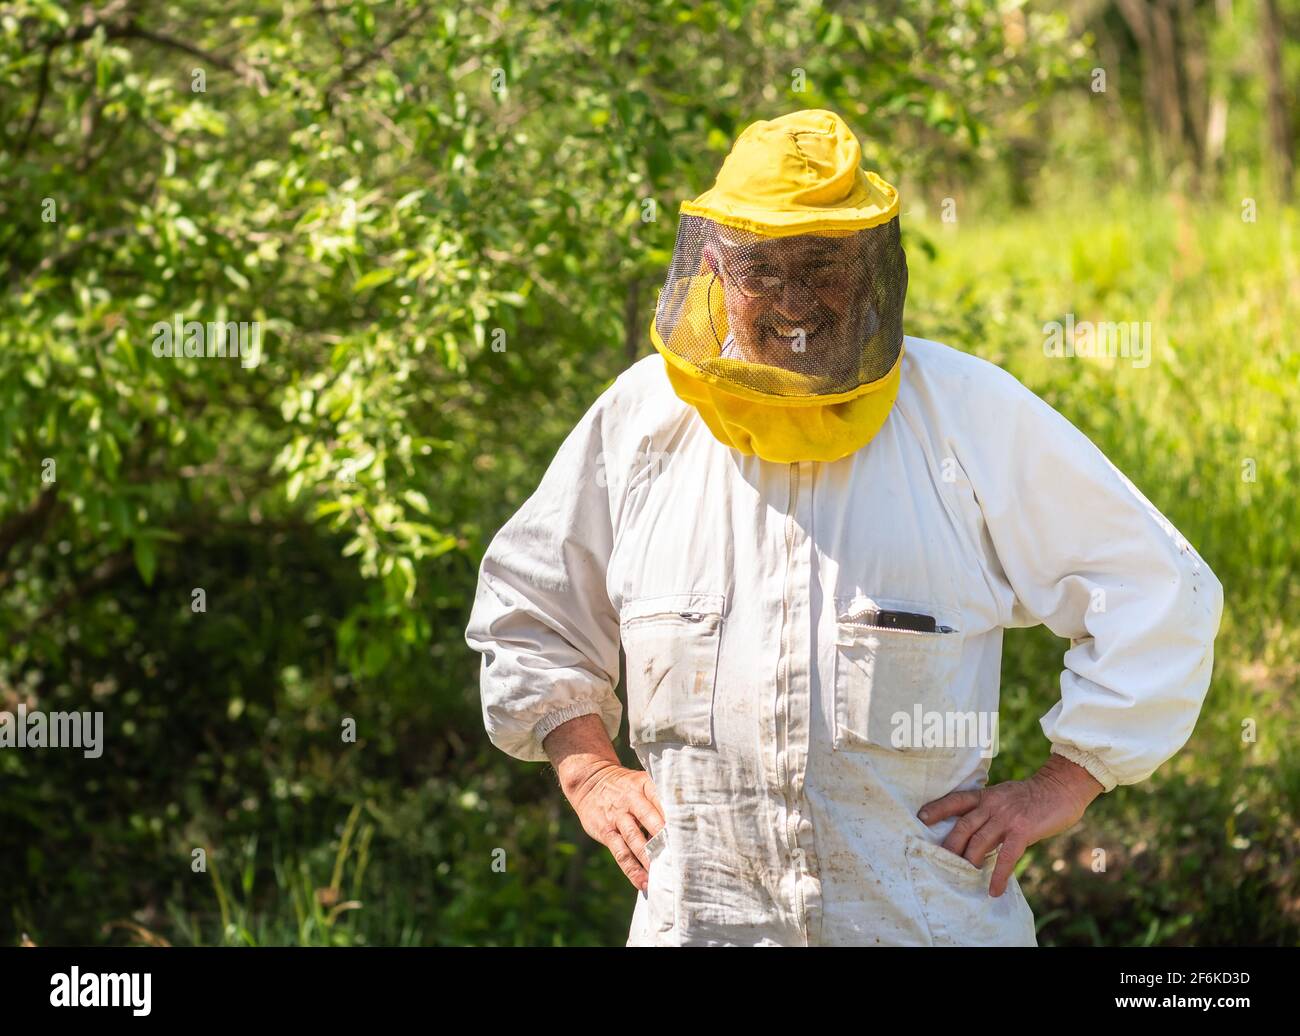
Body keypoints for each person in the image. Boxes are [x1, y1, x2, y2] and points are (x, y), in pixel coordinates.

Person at [464, 109, 1224, 946]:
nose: (794, 298)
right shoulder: (641, 421)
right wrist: (590, 773)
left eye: (821, 262)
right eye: (763, 267)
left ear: (870, 271)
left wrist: (1065, 782)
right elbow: (529, 610)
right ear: (715, 269)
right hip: (703, 925)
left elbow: (1156, 589)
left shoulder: (968, 414)